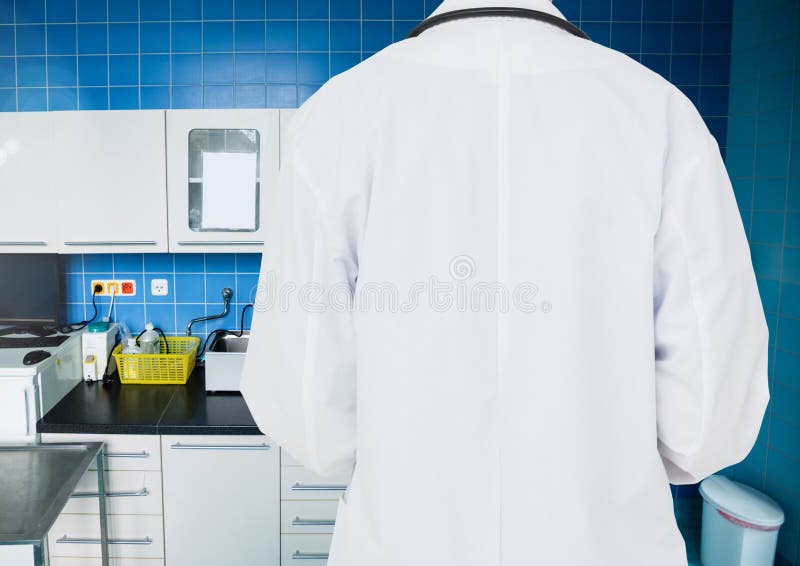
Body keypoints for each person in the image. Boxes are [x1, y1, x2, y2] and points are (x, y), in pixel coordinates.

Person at [240, 0, 769, 564]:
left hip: (403, 544)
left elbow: (304, 412)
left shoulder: (337, 117)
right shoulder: (659, 115)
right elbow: (710, 420)